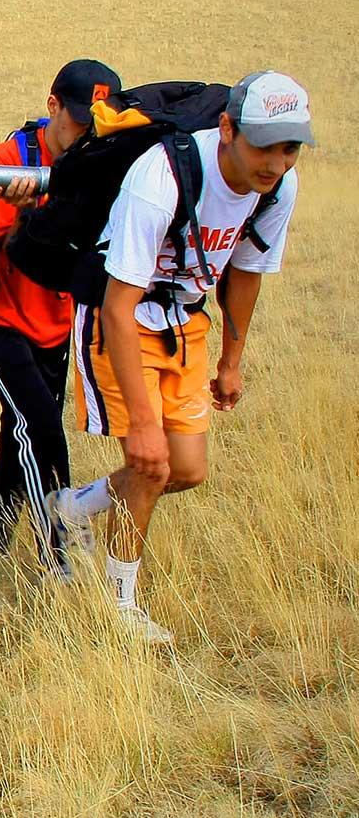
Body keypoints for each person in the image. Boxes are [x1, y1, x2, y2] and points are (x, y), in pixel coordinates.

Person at [52, 71, 311, 644]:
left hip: (185, 320)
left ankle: (72, 507)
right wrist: (143, 426)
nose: (275, 162)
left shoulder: (278, 189)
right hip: (122, 316)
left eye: (289, 148)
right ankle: (120, 609)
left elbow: (244, 272)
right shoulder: (162, 176)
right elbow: (118, 305)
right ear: (226, 129)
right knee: (151, 465)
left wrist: (231, 361)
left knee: (187, 470)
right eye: (263, 145)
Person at [0, 59, 121, 576]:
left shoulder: (102, 163)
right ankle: (60, 558)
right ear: (53, 106)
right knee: (42, 428)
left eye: (98, 123)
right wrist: (37, 210)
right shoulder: (11, 156)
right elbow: (8, 246)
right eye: (80, 119)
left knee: (20, 432)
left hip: (58, 322)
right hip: (2, 317)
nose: (88, 132)